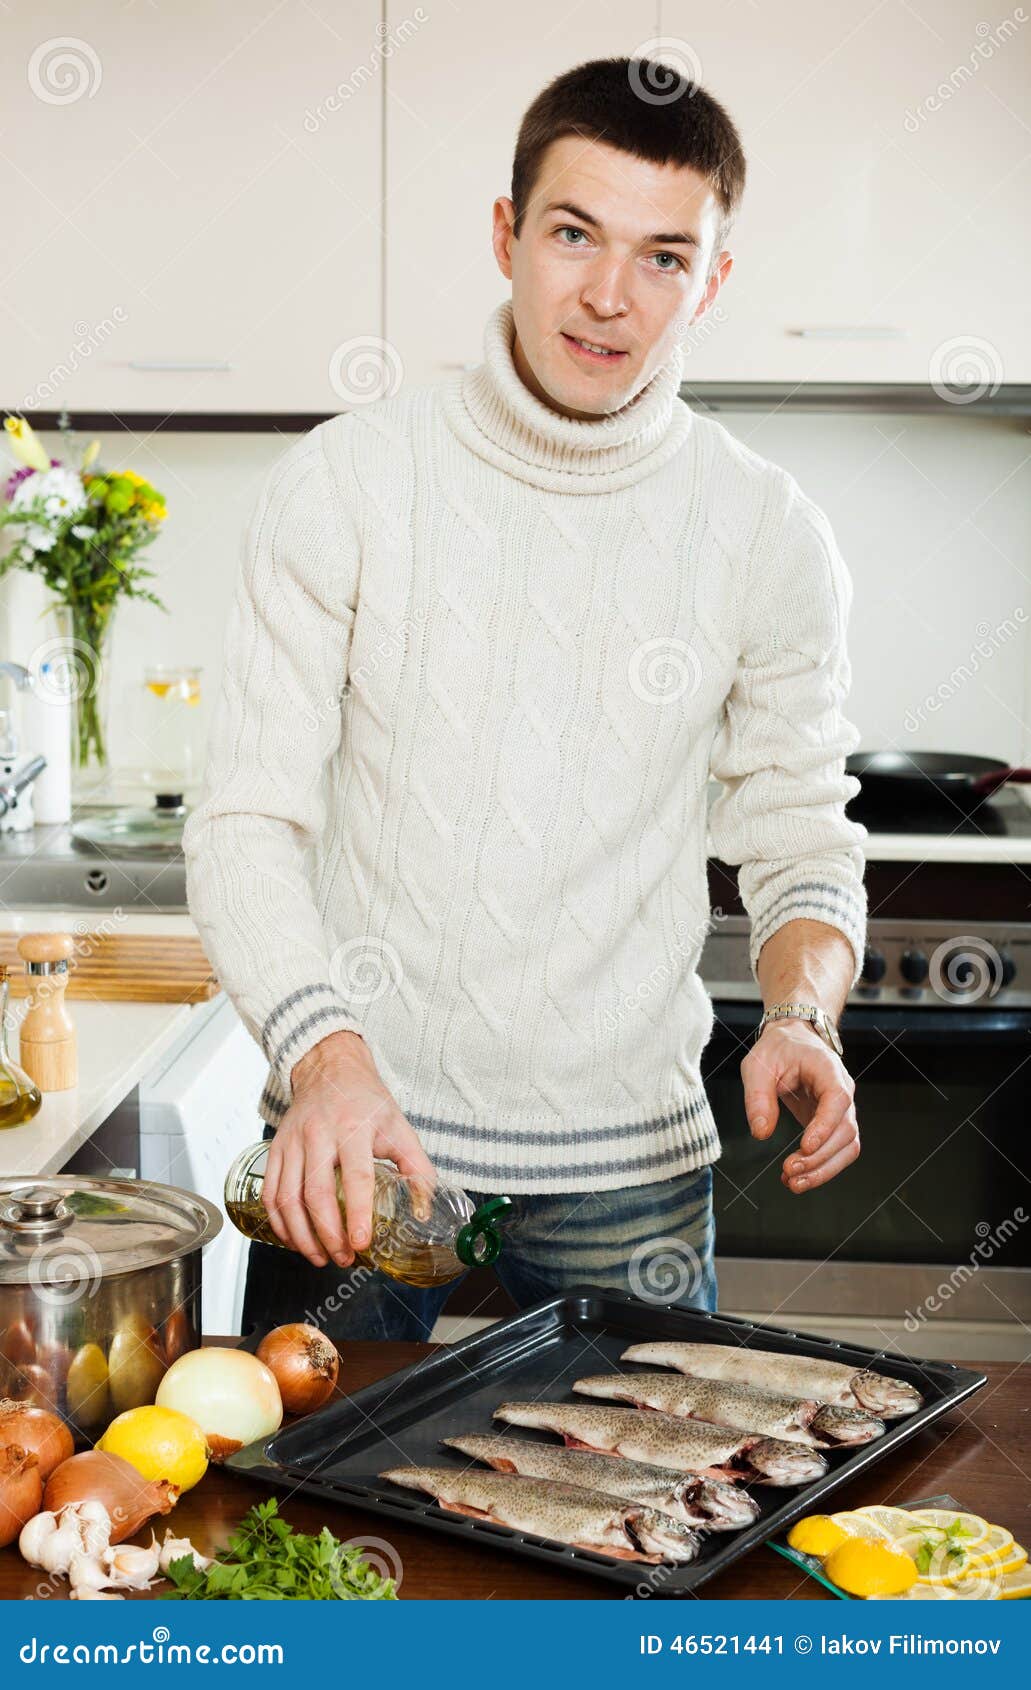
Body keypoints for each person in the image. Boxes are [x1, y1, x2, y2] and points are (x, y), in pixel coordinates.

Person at [183, 57, 867, 1343]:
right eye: (572, 234)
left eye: (664, 257)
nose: (610, 296)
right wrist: (324, 1063)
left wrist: (799, 1016)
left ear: (711, 281)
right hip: (357, 1147)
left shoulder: (765, 530)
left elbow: (801, 837)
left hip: (632, 1169)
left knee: (633, 1531)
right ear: (505, 235)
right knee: (305, 1522)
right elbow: (242, 825)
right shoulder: (346, 485)